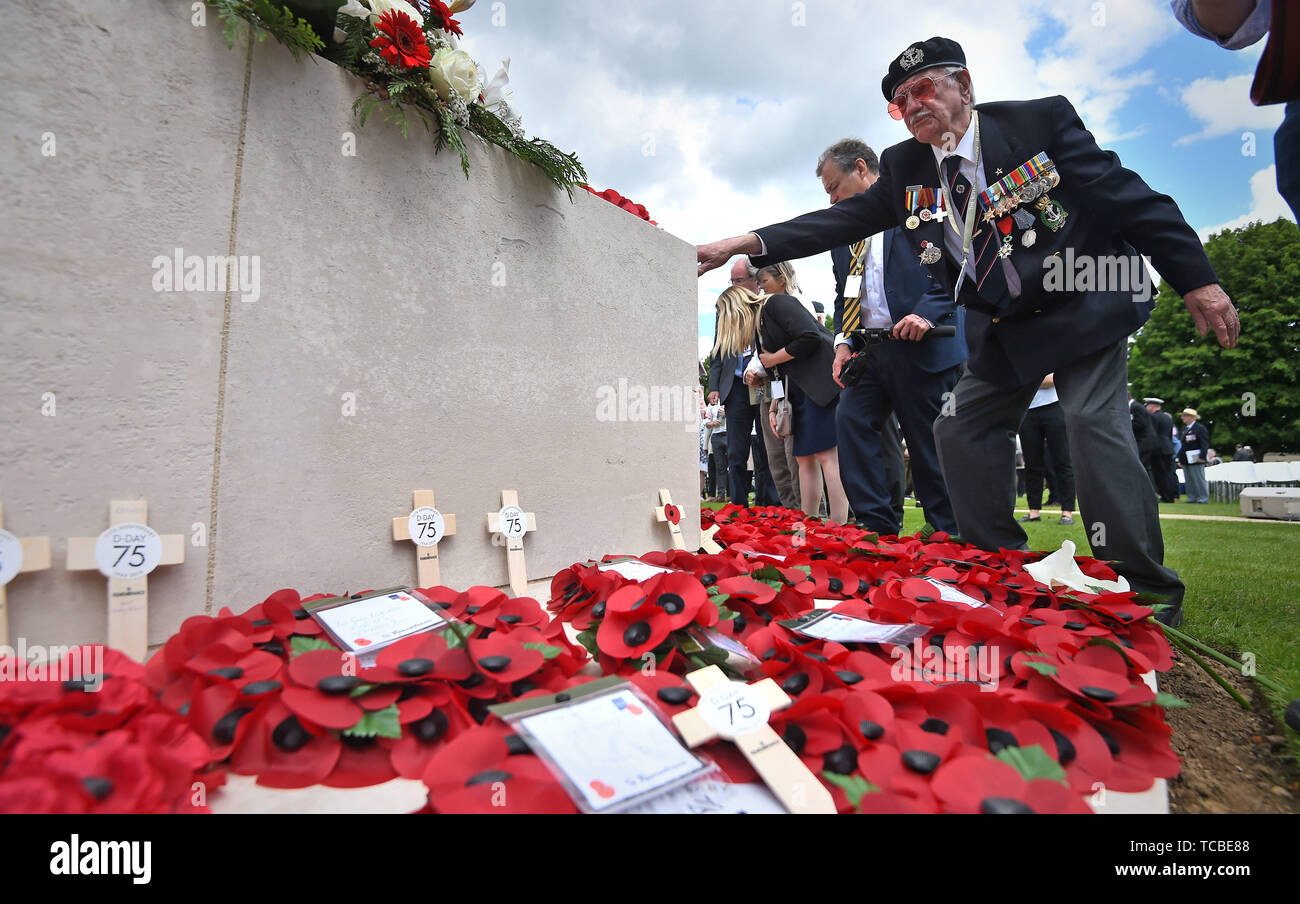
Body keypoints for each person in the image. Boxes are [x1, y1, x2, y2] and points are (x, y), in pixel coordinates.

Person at [697, 36, 1241, 626]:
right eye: (899, 102)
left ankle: (1143, 588)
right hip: (1004, 326)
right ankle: (997, 563)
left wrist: (1196, 279)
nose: (913, 105)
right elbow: (840, 220)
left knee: (1090, 422)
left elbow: (1130, 198)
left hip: (1081, 304)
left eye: (924, 87)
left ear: (965, 86)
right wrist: (750, 243)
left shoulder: (1039, 123)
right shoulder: (907, 166)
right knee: (959, 428)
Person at [817, 138, 966, 537]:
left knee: (928, 442)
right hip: (868, 350)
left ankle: (947, 531)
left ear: (862, 169)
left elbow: (953, 268)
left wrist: (926, 314)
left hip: (922, 345)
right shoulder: (845, 233)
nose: (832, 200)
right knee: (851, 421)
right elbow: (844, 292)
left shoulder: (922, 206)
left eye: (834, 187)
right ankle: (875, 525)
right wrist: (842, 343)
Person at [713, 284, 850, 523]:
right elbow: (776, 370)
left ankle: (838, 525)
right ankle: (809, 522)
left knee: (827, 455)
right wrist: (776, 403)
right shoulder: (759, 329)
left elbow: (810, 336)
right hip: (795, 391)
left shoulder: (776, 304)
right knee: (804, 457)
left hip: (821, 385)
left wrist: (772, 358)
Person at [707, 258, 779, 507]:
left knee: (767, 445)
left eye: (739, 281)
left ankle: (769, 503)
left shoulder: (767, 306)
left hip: (761, 383)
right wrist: (713, 385)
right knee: (736, 450)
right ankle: (738, 505)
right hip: (735, 387)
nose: (734, 286)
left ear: (755, 282)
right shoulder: (724, 309)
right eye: (732, 281)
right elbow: (716, 351)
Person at [755, 261, 805, 511]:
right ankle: (790, 512)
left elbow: (808, 340)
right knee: (776, 457)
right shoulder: (764, 309)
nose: (760, 287)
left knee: (795, 455)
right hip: (771, 390)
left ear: (782, 278)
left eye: (764, 281)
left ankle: (811, 514)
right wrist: (754, 370)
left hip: (794, 388)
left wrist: (772, 360)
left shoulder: (793, 305)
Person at [1017, 375, 1076, 525]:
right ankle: (1033, 512)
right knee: (1031, 463)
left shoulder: (1048, 353)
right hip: (1027, 410)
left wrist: (1027, 381)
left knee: (1062, 461)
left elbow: (1052, 380)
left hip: (1054, 407)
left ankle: (1067, 513)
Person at [1144, 397, 1180, 502]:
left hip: (1158, 449)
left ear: (1152, 406)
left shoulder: (1153, 418)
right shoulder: (1167, 418)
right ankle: (1170, 495)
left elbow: (1152, 434)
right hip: (1167, 447)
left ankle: (1166, 496)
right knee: (1168, 473)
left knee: (1160, 474)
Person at [1179, 408, 1212, 503]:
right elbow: (1183, 445)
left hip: (1196, 457)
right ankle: (1192, 497)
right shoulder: (1185, 429)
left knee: (1198, 478)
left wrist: (1202, 457)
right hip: (1186, 458)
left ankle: (1203, 497)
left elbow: (1204, 444)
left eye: (1185, 416)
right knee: (1189, 479)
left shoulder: (1199, 428)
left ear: (1192, 417)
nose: (1183, 418)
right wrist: (1180, 459)